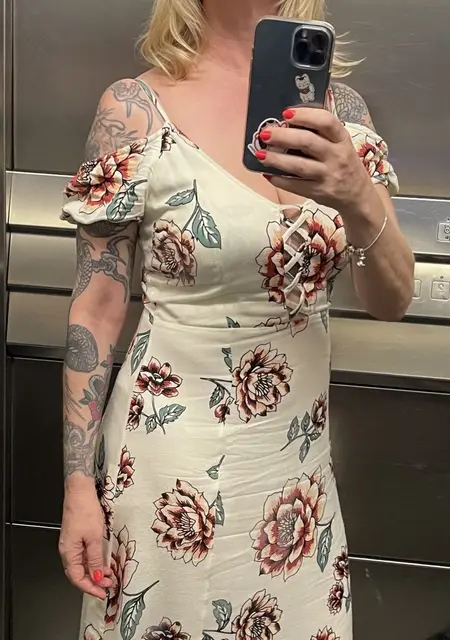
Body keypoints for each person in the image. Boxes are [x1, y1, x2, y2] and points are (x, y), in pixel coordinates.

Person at [59, 1, 415, 639]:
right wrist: (79, 486)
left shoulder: (343, 114)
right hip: (169, 470)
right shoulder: (135, 110)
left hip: (296, 474)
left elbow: (392, 300)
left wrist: (359, 196)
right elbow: (97, 307)